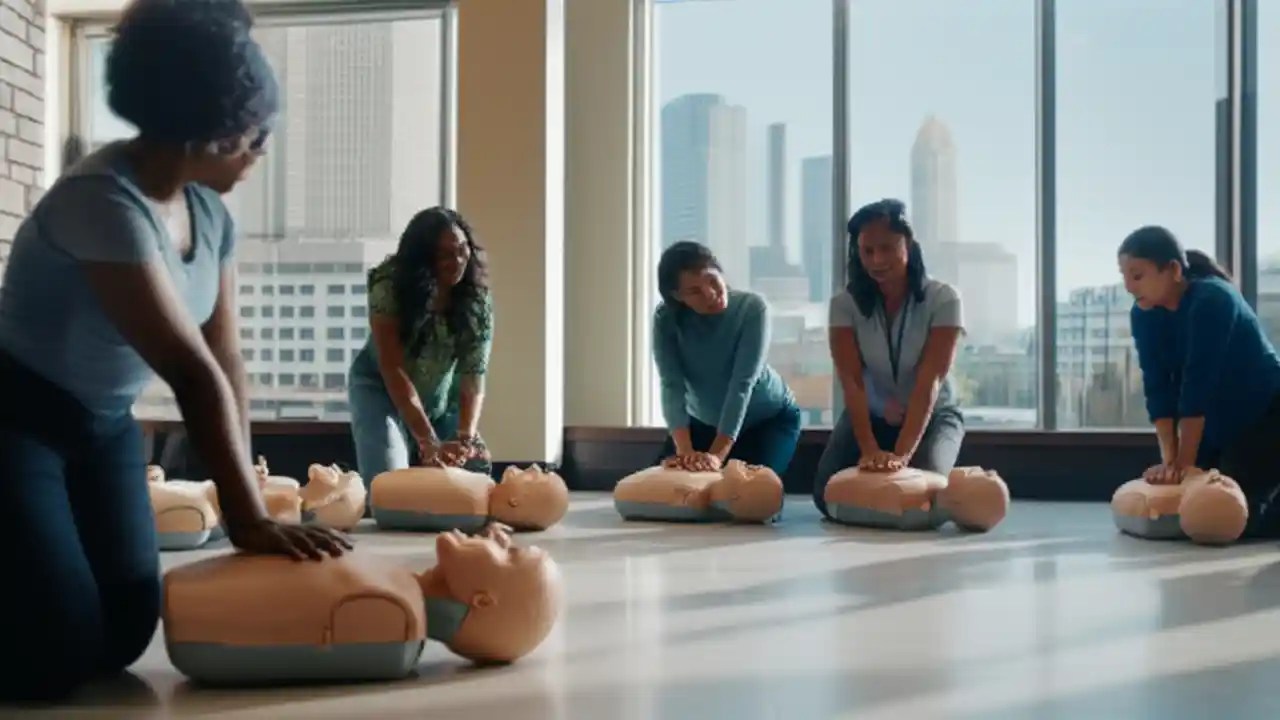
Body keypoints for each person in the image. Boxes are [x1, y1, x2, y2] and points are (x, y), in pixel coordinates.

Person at [0, 0, 350, 703]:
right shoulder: (101, 200)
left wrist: (249, 494)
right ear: (206, 128)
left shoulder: (211, 215)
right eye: (255, 131)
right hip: (17, 420)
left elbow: (225, 360)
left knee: (125, 631)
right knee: (52, 657)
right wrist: (247, 519)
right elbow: (190, 373)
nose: (261, 147)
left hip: (103, 429)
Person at [1120, 225, 1280, 537]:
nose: (1128, 286)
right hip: (1218, 426)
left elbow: (1198, 386)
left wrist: (1184, 466)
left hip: (1267, 415)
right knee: (1191, 505)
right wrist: (1172, 466)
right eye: (1124, 275)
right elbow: (1158, 389)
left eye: (1137, 275)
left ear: (1174, 270)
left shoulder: (1212, 299)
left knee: (1228, 516)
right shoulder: (1143, 314)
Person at [812, 198, 966, 516]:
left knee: (925, 495)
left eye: (887, 248)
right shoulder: (844, 304)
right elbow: (851, 382)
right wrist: (869, 449)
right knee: (824, 493)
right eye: (867, 251)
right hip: (871, 416)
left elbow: (930, 381)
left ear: (907, 243)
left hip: (932, 416)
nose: (877, 260)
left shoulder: (944, 298)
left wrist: (900, 457)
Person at [347, 207, 495, 484]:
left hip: (439, 398)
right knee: (387, 485)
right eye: (445, 255)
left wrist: (465, 438)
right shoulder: (388, 285)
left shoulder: (476, 302)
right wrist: (427, 440)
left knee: (475, 475)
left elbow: (473, 376)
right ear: (424, 259)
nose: (458, 261)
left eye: (463, 250)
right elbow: (392, 368)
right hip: (381, 389)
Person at [651, 241, 802, 476]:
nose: (711, 294)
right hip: (702, 421)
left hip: (767, 419)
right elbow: (671, 384)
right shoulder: (666, 319)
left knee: (748, 497)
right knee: (667, 492)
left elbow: (742, 383)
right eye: (694, 291)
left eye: (712, 280)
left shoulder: (751, 308)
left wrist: (716, 457)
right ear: (677, 296)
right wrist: (685, 453)